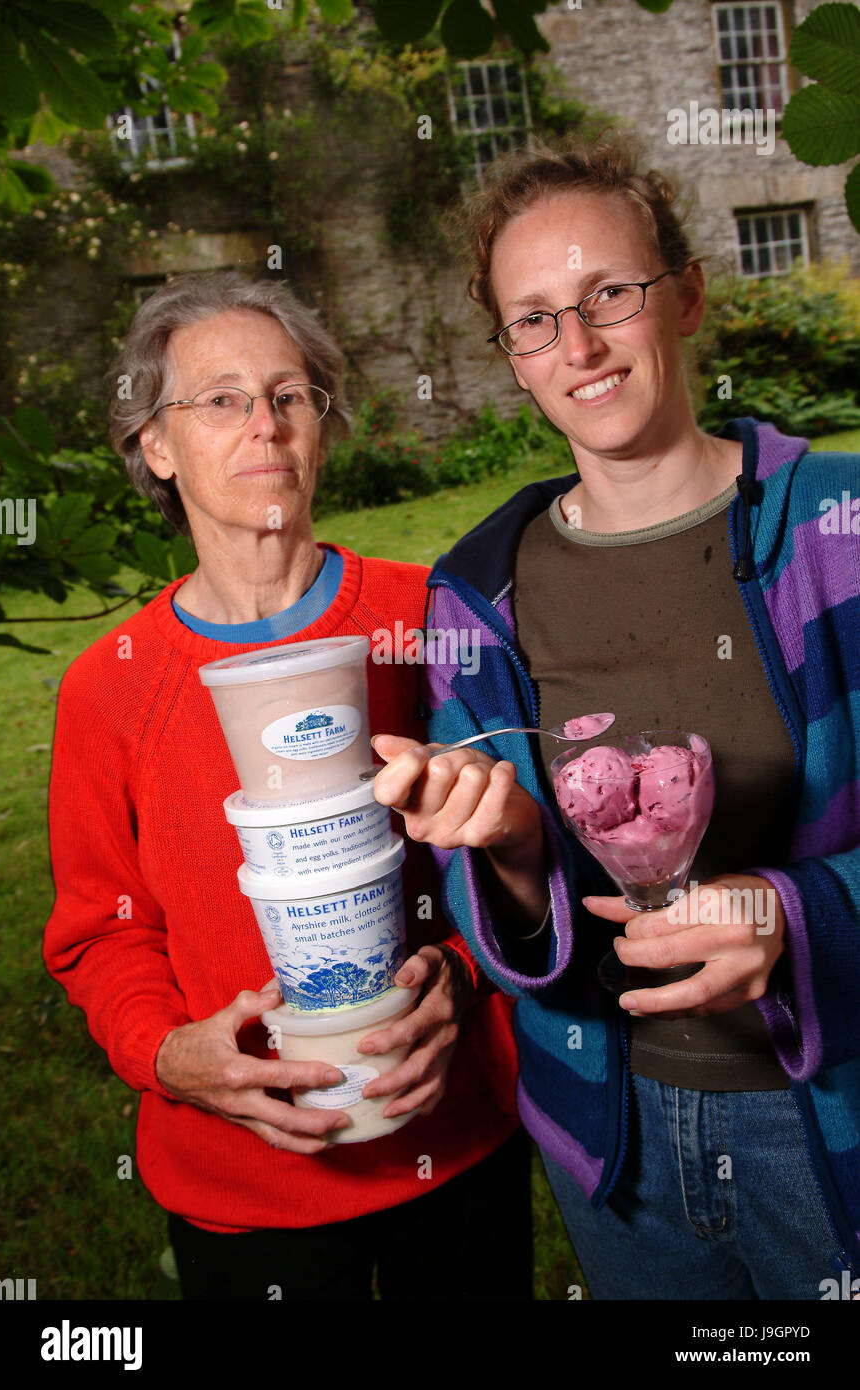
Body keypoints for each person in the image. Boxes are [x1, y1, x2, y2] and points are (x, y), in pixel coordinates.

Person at [372, 136, 860, 1300]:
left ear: (683, 296)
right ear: (508, 355)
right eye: (532, 319)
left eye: (609, 295)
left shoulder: (835, 531)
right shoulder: (472, 592)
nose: (577, 347)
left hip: (825, 1127)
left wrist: (797, 918)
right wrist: (512, 844)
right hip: (611, 1139)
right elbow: (511, 919)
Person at [43, 270, 531, 1302]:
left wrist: (459, 974)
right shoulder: (107, 689)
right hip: (243, 1187)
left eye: (290, 394)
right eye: (218, 398)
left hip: (451, 1147)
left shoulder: (428, 618)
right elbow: (100, 930)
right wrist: (166, 1053)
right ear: (156, 446)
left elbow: (520, 857)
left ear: (319, 427)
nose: (262, 420)